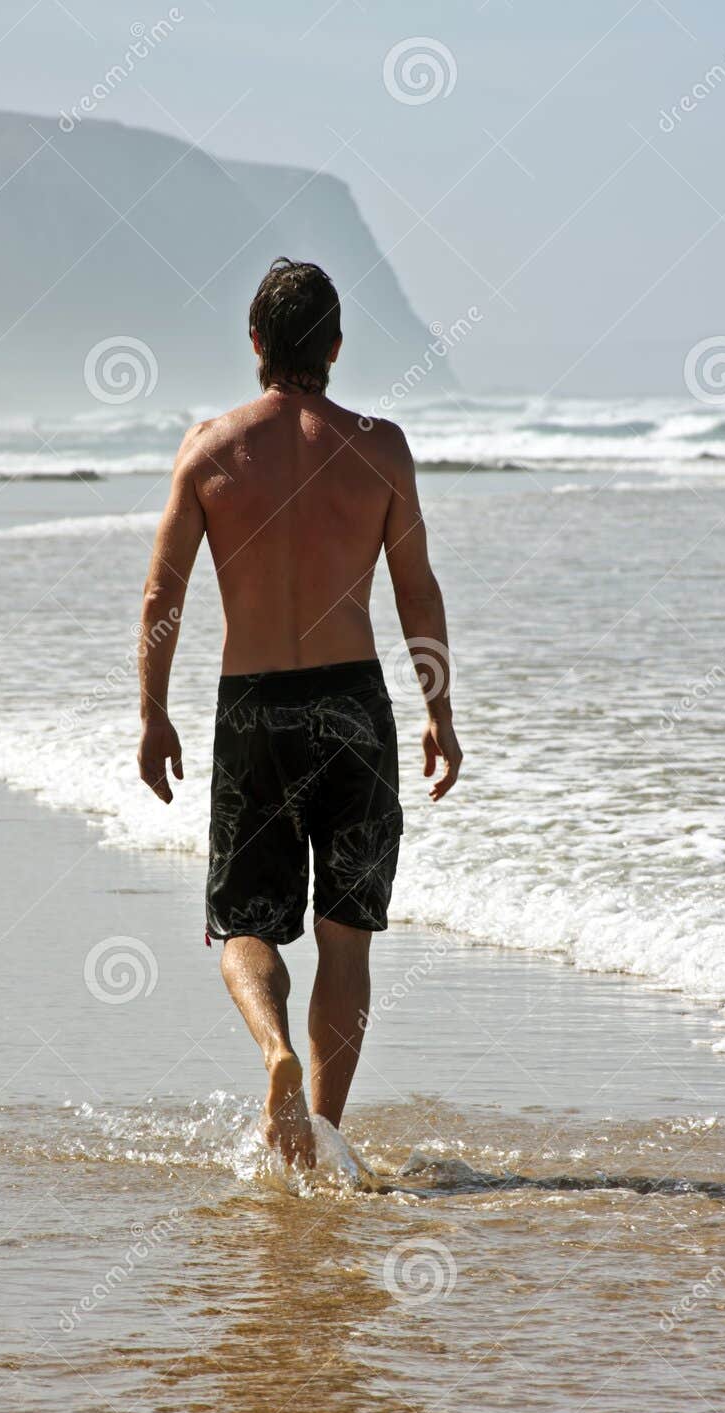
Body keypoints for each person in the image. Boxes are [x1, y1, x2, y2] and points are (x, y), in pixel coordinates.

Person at [137, 257, 462, 1170]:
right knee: (345, 936)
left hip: (254, 709)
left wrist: (152, 713)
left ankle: (273, 1053)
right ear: (335, 346)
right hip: (353, 706)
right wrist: (439, 709)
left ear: (253, 344)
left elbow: (164, 590)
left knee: (245, 924)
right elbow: (417, 593)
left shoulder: (209, 449)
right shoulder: (380, 448)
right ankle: (321, 1134)